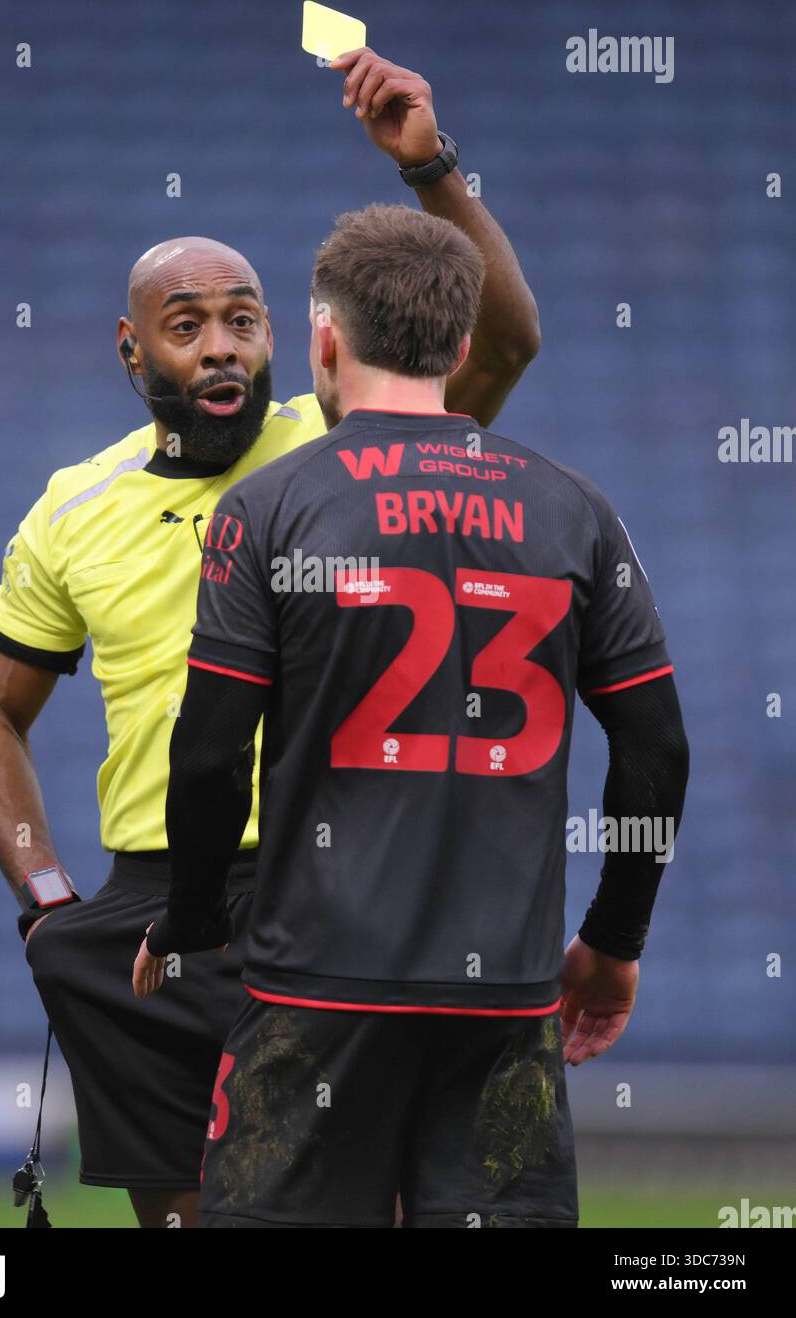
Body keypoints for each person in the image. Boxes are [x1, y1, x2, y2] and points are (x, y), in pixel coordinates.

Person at [0, 47, 541, 1228]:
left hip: (335, 887)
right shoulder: (72, 505)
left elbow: (506, 344)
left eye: (242, 319)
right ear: (134, 355)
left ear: (284, 339)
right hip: (157, 911)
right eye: (185, 327)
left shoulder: (344, 444)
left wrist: (429, 168)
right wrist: (48, 897)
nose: (220, 346)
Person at [135, 202, 690, 1229]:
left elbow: (210, 755)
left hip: (316, 994)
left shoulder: (267, 512)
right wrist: (613, 940)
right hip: (506, 1003)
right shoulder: (573, 507)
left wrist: (197, 917)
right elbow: (656, 748)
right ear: (463, 343)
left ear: (326, 339)